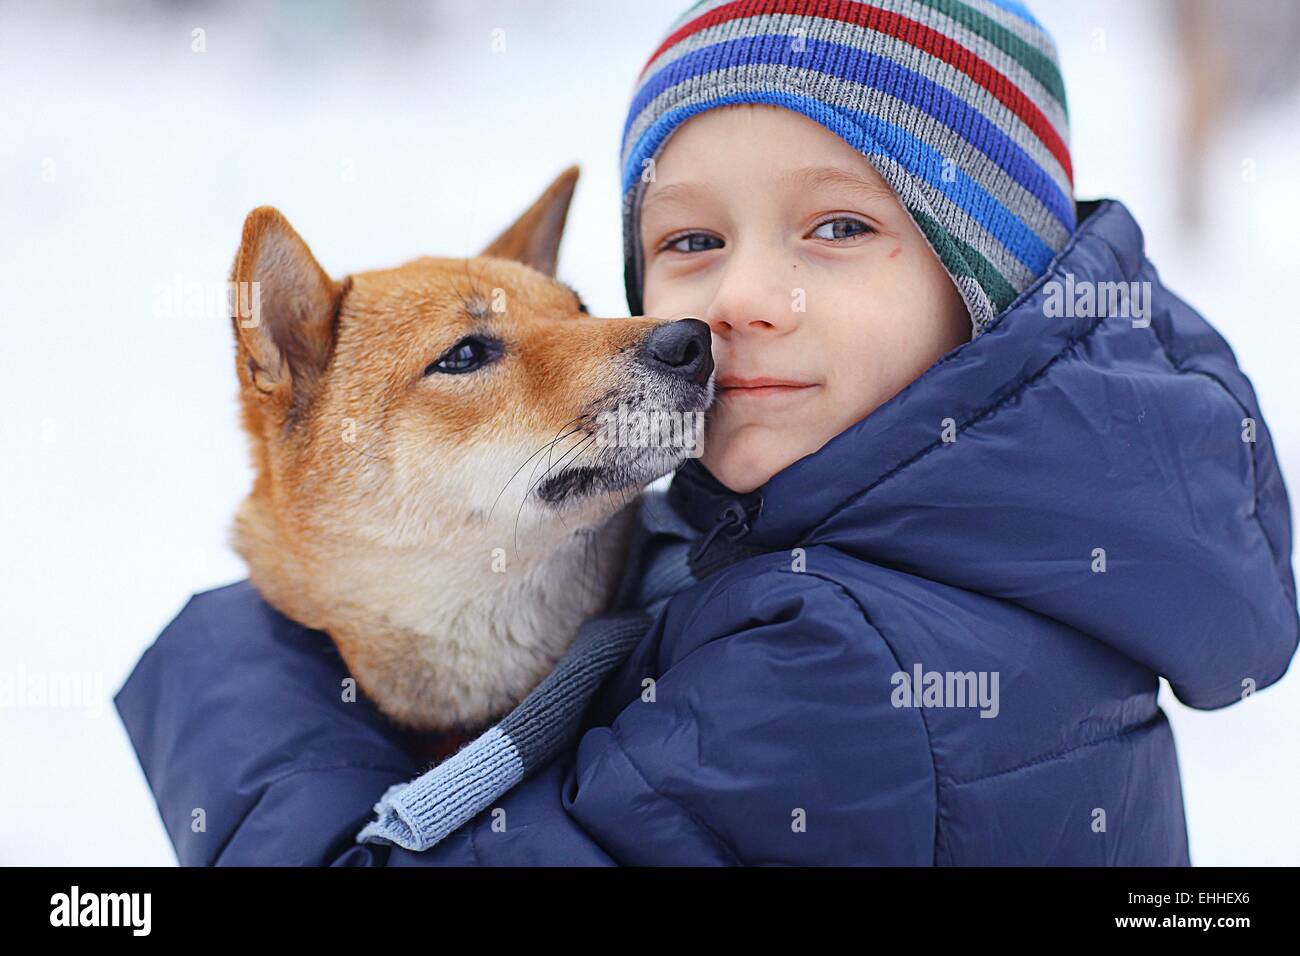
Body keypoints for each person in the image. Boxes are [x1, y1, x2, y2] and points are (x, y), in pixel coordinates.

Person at [115, 0, 1298, 865]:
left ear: (986, 280)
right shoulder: (827, 543)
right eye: (688, 244)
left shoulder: (844, 662)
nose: (723, 310)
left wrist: (240, 661)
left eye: (835, 226)